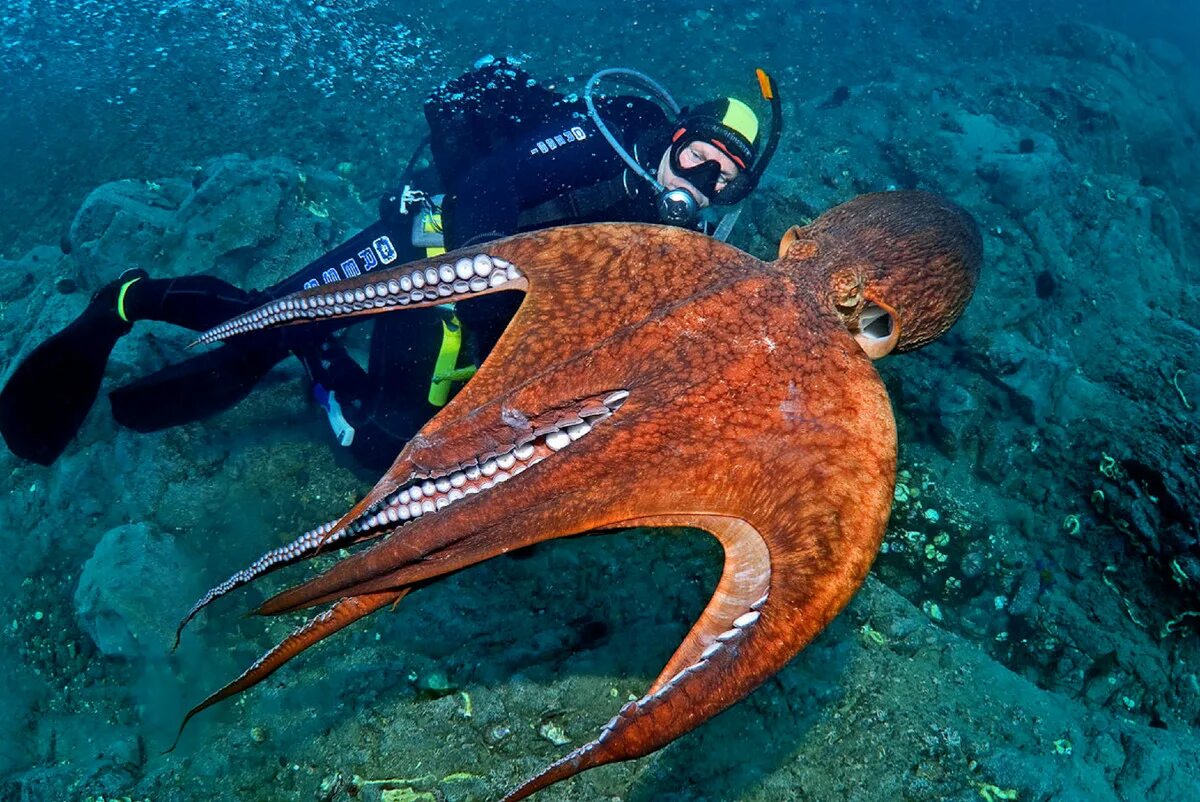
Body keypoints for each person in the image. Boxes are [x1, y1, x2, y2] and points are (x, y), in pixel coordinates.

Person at [0, 57, 781, 471]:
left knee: (389, 445)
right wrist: (487, 301)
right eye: (700, 159)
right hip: (428, 244)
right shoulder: (601, 138)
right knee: (262, 326)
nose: (701, 188)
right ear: (674, 136)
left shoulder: (685, 233)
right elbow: (489, 185)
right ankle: (127, 299)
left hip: (494, 299)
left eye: (725, 182)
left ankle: (323, 356)